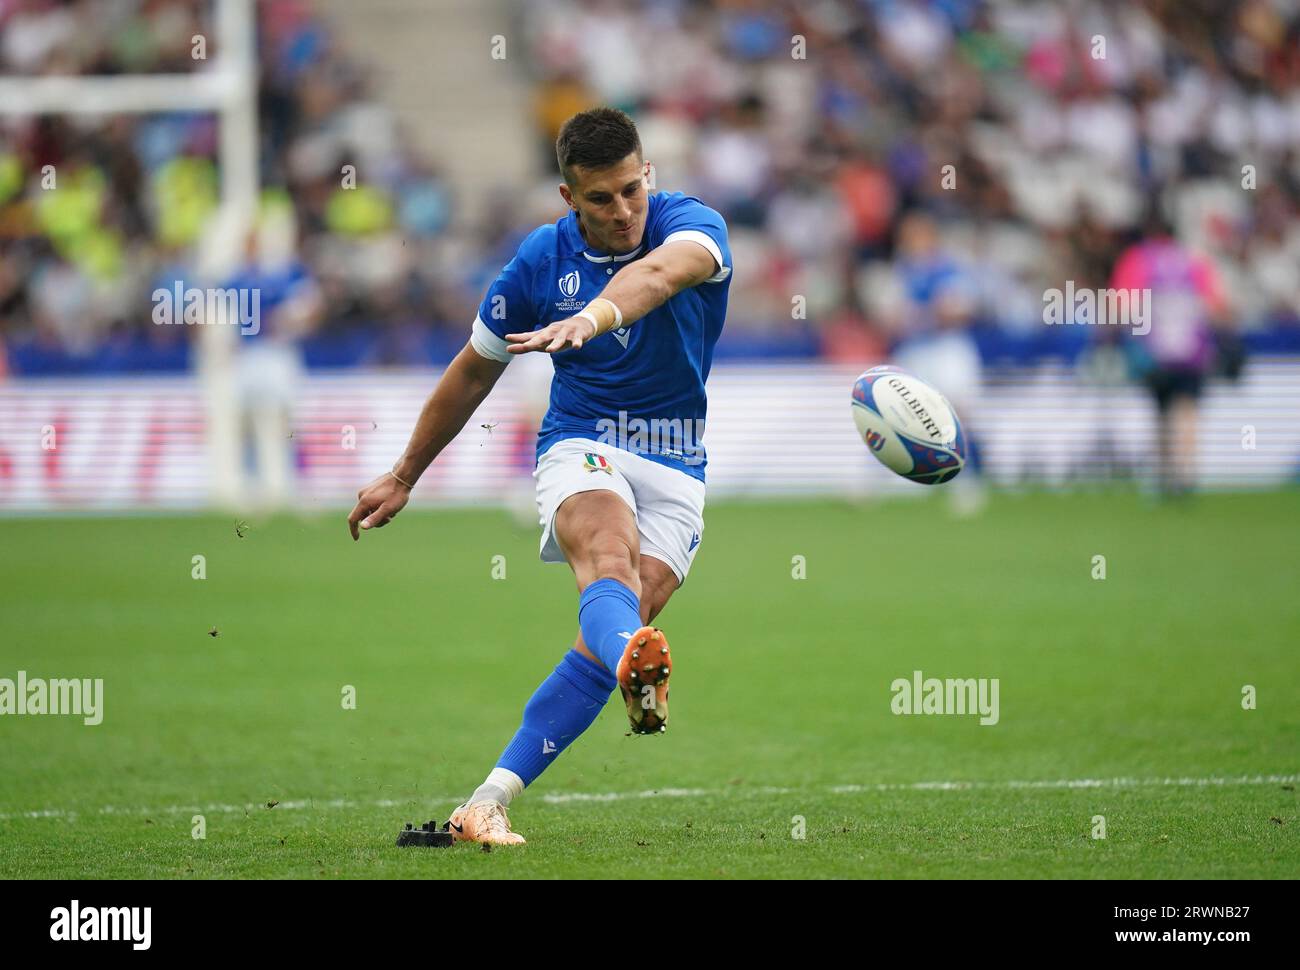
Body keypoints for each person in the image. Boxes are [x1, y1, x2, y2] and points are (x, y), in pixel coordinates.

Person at [346, 107, 732, 844]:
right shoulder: (537, 263)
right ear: (567, 198)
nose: (623, 211)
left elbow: (660, 274)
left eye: (632, 189)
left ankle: (485, 801)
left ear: (647, 174)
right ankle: (634, 660)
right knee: (606, 557)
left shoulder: (692, 223)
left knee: (611, 631)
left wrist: (593, 317)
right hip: (582, 441)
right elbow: (472, 372)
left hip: (678, 457)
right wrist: (403, 474)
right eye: (600, 198)